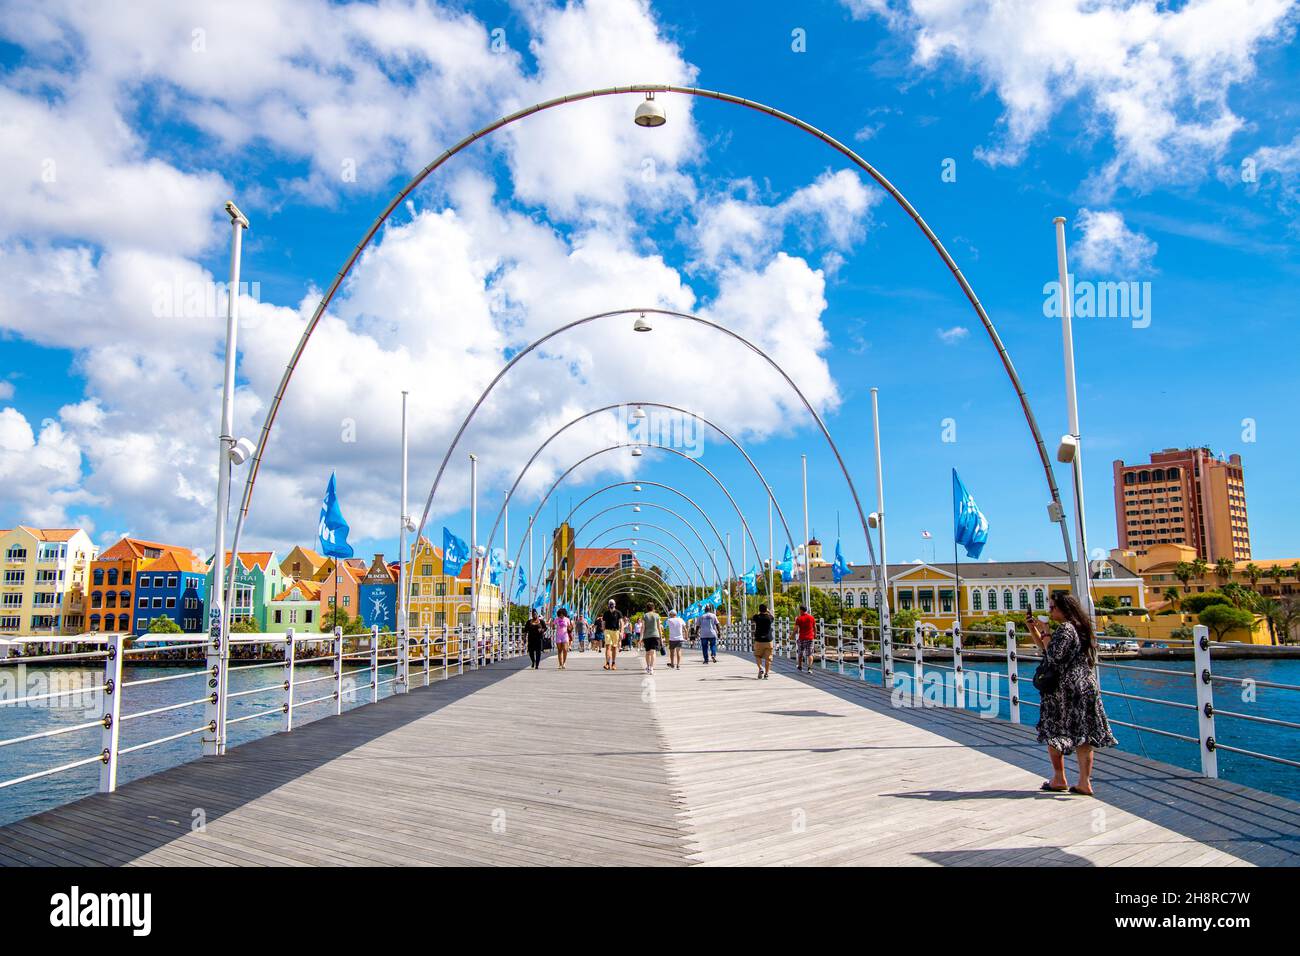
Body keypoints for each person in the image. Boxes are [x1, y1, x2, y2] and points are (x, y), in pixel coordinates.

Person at [1028, 591, 1117, 796]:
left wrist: (1046, 631)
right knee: (1084, 733)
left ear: (1063, 609)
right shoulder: (1079, 627)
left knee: (1054, 730)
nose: (1050, 611)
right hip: (1085, 685)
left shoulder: (1066, 629)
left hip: (1065, 689)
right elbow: (1047, 649)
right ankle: (1084, 782)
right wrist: (1034, 630)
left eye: (1052, 607)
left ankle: (1059, 778)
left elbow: (1053, 656)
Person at [751, 603, 774, 678]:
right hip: (768, 640)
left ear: (759, 610)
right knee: (768, 658)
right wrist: (768, 611)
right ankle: (766, 673)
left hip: (759, 640)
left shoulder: (757, 617)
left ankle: (760, 668)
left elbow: (754, 617)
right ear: (766, 610)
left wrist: (760, 612)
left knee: (757, 656)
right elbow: (772, 616)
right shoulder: (769, 618)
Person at [640, 603, 663, 675]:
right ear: (653, 608)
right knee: (653, 652)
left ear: (647, 608)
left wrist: (641, 637)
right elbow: (659, 627)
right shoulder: (657, 615)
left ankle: (648, 666)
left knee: (647, 652)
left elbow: (643, 627)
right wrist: (661, 637)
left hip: (647, 636)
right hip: (655, 635)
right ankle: (652, 667)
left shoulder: (645, 615)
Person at [601, 600, 622, 670]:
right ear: (608, 605)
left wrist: (621, 632)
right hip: (608, 631)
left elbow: (621, 623)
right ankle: (607, 663)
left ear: (615, 604)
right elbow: (603, 622)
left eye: (612, 604)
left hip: (615, 631)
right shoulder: (606, 613)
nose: (611, 605)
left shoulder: (618, 613)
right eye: (610, 604)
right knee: (608, 646)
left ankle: (613, 663)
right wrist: (603, 630)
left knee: (614, 647)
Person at [795, 605, 816, 672]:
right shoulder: (811, 617)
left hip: (802, 638)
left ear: (801, 610)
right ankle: (809, 668)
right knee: (810, 654)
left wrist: (791, 636)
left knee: (800, 653)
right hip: (810, 638)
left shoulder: (799, 618)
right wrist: (815, 634)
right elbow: (815, 627)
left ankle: (800, 666)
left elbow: (796, 629)